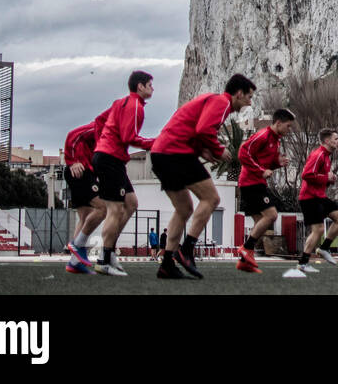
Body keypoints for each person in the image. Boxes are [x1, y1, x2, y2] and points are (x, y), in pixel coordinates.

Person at [151, 73, 256, 279]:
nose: (250, 101)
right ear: (238, 93)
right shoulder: (222, 103)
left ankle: (166, 264)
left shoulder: (212, 100)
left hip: (161, 153)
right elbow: (203, 129)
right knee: (211, 198)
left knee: (184, 209)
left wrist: (202, 150)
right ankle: (187, 249)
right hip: (175, 153)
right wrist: (217, 149)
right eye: (249, 97)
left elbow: (193, 129)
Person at [91, 71, 157, 277]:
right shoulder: (136, 106)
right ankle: (104, 259)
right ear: (140, 86)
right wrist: (155, 142)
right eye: (150, 85)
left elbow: (99, 121)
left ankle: (109, 254)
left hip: (111, 158)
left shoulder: (120, 102)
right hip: (110, 159)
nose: (153, 88)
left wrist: (102, 142)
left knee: (131, 203)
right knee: (115, 209)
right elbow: (130, 137)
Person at [236, 108, 295, 274]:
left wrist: (277, 162)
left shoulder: (276, 140)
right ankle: (246, 248)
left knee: (259, 225)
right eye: (288, 126)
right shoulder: (263, 135)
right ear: (278, 123)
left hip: (256, 182)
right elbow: (243, 153)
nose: (289, 130)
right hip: (251, 183)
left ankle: (244, 262)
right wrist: (260, 171)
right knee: (272, 215)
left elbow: (264, 161)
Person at [298, 129, 338, 269]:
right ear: (327, 141)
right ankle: (303, 263)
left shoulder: (327, 156)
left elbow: (319, 179)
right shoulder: (319, 154)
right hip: (309, 197)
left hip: (320, 196)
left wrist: (329, 180)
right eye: (336, 139)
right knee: (319, 230)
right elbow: (306, 175)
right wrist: (326, 177)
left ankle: (324, 248)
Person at [62, 118, 106, 274]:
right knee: (102, 208)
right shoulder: (101, 127)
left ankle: (74, 262)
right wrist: (72, 160)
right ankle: (77, 246)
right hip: (79, 171)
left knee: (85, 216)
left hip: (85, 173)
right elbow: (73, 135)